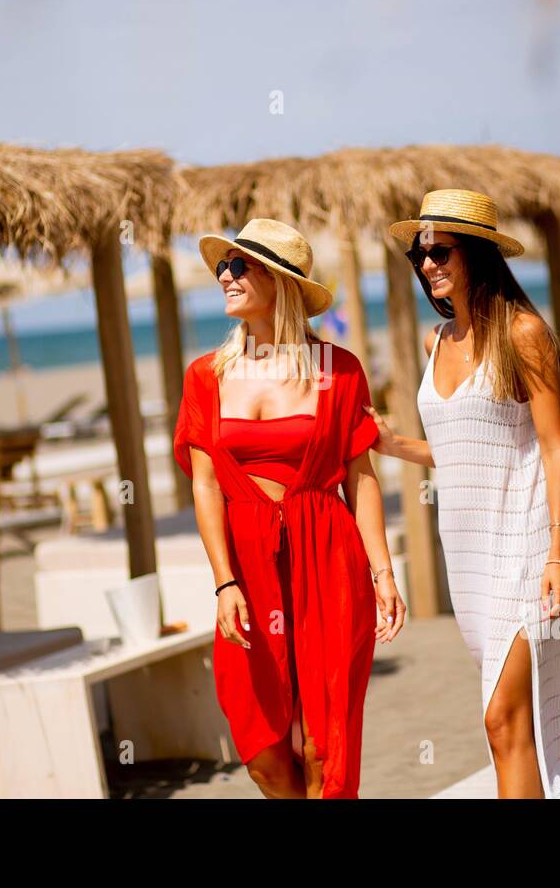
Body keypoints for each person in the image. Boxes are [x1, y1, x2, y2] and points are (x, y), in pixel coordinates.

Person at [368, 189, 560, 798]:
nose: (428, 265)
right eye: (420, 256)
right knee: (544, 721)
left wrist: (558, 552)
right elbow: (459, 451)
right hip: (468, 564)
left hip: (524, 549)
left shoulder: (523, 334)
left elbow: (555, 446)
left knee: (502, 722)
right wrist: (395, 445)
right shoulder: (435, 343)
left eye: (440, 250)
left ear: (477, 251)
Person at [172, 218, 406, 799]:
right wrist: (224, 582)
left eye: (239, 266)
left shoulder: (340, 370)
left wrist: (383, 572)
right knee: (263, 752)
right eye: (222, 267)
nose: (225, 276)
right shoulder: (205, 376)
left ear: (281, 283)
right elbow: (206, 486)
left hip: (328, 557)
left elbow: (361, 477)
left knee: (320, 745)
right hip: (246, 566)